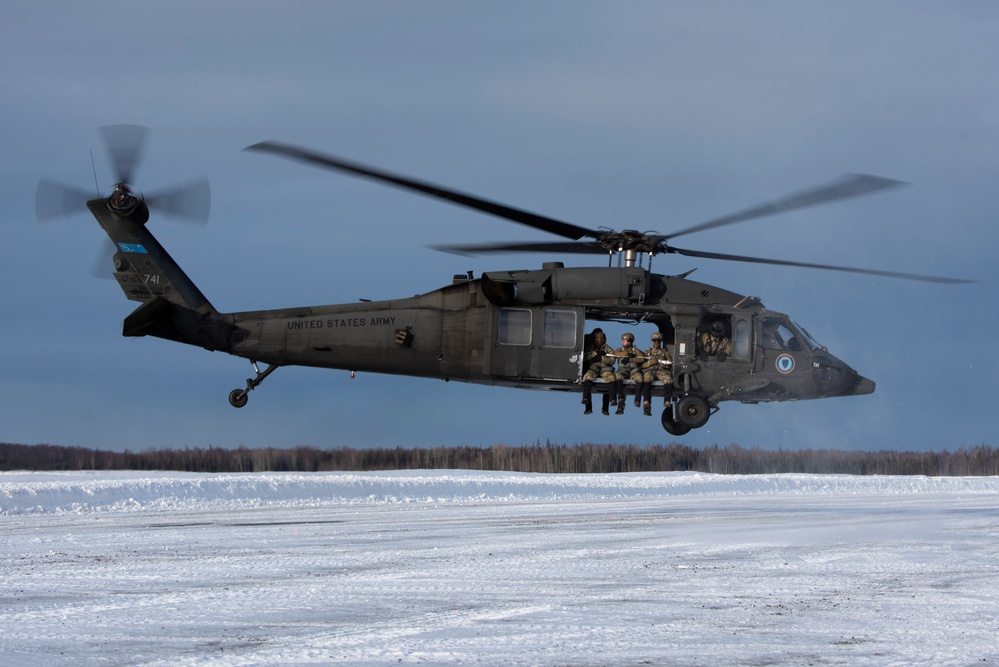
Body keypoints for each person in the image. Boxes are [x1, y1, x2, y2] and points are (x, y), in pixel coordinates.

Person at [581, 328, 615, 415]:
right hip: (594, 369)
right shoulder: (590, 348)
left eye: (600, 338)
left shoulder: (608, 349)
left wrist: (602, 358)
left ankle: (610, 401)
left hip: (605, 369)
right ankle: (587, 403)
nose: (599, 340)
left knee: (610, 378)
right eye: (596, 338)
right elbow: (583, 357)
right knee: (587, 377)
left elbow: (612, 360)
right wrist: (594, 354)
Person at [640, 331, 673, 416]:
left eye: (658, 340)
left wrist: (662, 363)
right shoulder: (647, 352)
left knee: (668, 379)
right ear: (652, 341)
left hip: (661, 371)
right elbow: (641, 364)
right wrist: (650, 362)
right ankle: (646, 402)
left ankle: (666, 400)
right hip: (650, 371)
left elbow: (670, 363)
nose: (656, 342)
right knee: (647, 378)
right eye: (654, 340)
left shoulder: (664, 353)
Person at [612, 332, 645, 415]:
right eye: (623, 340)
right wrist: (626, 354)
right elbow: (615, 354)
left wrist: (631, 359)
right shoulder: (620, 350)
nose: (623, 342)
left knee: (639, 377)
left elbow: (642, 359)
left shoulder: (635, 350)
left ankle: (637, 400)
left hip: (633, 371)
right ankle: (621, 399)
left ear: (630, 341)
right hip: (623, 370)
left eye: (625, 340)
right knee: (618, 376)